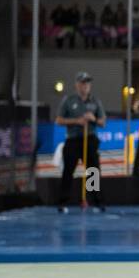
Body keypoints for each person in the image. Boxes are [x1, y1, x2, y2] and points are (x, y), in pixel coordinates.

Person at [55, 71, 107, 212]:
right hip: (73, 140)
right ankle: (63, 202)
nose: (85, 86)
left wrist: (93, 119)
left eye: (88, 83)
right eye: (83, 83)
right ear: (77, 85)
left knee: (93, 171)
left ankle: (96, 202)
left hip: (89, 139)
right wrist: (76, 121)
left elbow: (103, 122)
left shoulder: (95, 101)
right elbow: (59, 120)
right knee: (68, 171)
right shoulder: (69, 100)